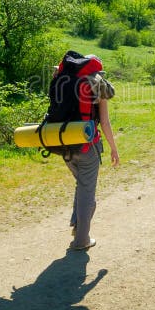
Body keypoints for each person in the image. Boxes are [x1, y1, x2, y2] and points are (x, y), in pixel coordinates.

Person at [64, 55, 120, 251]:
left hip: (64, 145)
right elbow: (104, 122)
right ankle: (81, 240)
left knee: (82, 185)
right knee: (88, 192)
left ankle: (77, 223)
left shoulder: (64, 80)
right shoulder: (97, 84)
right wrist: (114, 148)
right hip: (88, 147)